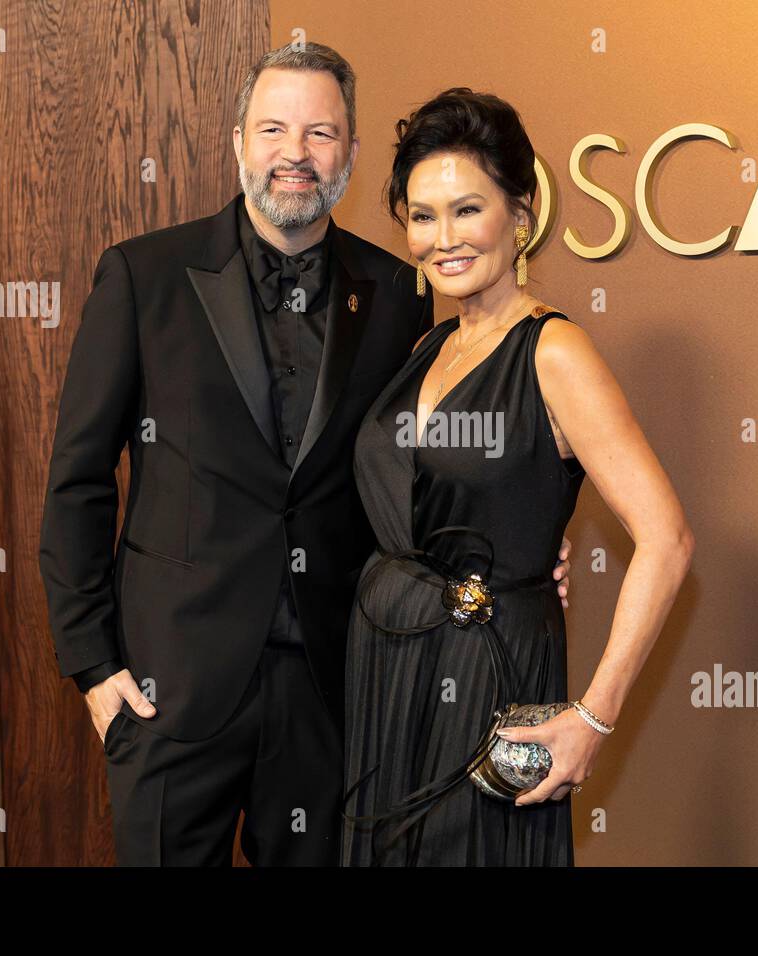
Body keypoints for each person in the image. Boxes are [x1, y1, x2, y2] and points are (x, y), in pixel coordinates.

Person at [38, 43, 569, 866]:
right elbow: (76, 482)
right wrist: (92, 665)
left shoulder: (398, 292)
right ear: (239, 142)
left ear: (350, 155)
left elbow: (411, 468)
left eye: (320, 133)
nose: (295, 153)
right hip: (168, 692)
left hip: (338, 686)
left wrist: (522, 535)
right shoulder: (144, 277)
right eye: (274, 129)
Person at [340, 89, 695, 865]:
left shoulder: (555, 351)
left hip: (485, 672)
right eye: (421, 215)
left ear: (522, 213)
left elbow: (666, 540)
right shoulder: (429, 347)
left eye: (467, 210)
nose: (443, 239)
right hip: (390, 672)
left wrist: (594, 718)